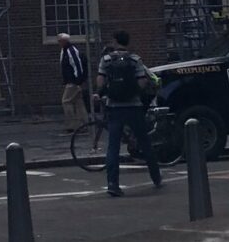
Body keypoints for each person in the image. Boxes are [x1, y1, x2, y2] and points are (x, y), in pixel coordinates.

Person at [95, 30, 161, 199]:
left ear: (115, 41)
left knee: (113, 147)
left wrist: (103, 92)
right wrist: (135, 92)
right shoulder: (135, 59)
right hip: (134, 106)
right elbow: (142, 81)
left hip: (115, 107)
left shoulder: (107, 60)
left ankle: (112, 184)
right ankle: (156, 176)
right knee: (145, 142)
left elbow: (101, 80)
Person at [57, 33, 88, 132]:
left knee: (66, 101)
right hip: (72, 81)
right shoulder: (65, 50)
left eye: (60, 41)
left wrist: (77, 80)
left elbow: (77, 65)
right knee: (78, 102)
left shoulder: (70, 50)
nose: (59, 43)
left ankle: (72, 125)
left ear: (64, 41)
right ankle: (83, 124)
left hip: (73, 81)